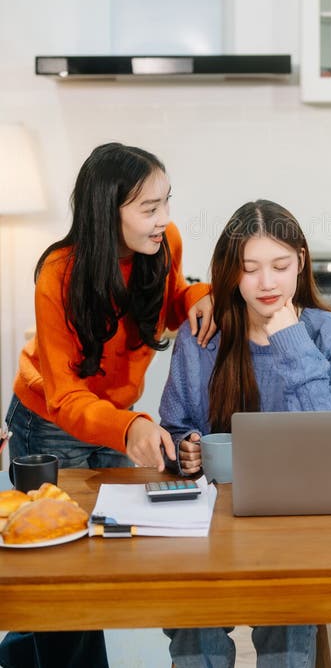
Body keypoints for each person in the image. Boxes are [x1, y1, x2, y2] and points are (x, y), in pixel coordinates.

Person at [1, 142, 215, 668]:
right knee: (63, 579)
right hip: (49, 422)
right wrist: (128, 429)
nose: (164, 219)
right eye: (149, 208)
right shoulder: (57, 271)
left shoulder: (164, 244)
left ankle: (20, 655)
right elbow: (66, 396)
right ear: (106, 210)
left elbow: (164, 305)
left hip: (119, 421)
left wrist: (195, 295)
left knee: (119, 557)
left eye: (166, 203)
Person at [159, 199, 331, 668]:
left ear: (301, 262)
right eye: (250, 269)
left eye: (280, 265)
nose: (267, 283)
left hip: (298, 525)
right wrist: (186, 449)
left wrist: (289, 337)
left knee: (287, 624)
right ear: (230, 273)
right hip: (212, 524)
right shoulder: (202, 335)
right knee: (194, 628)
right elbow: (176, 424)